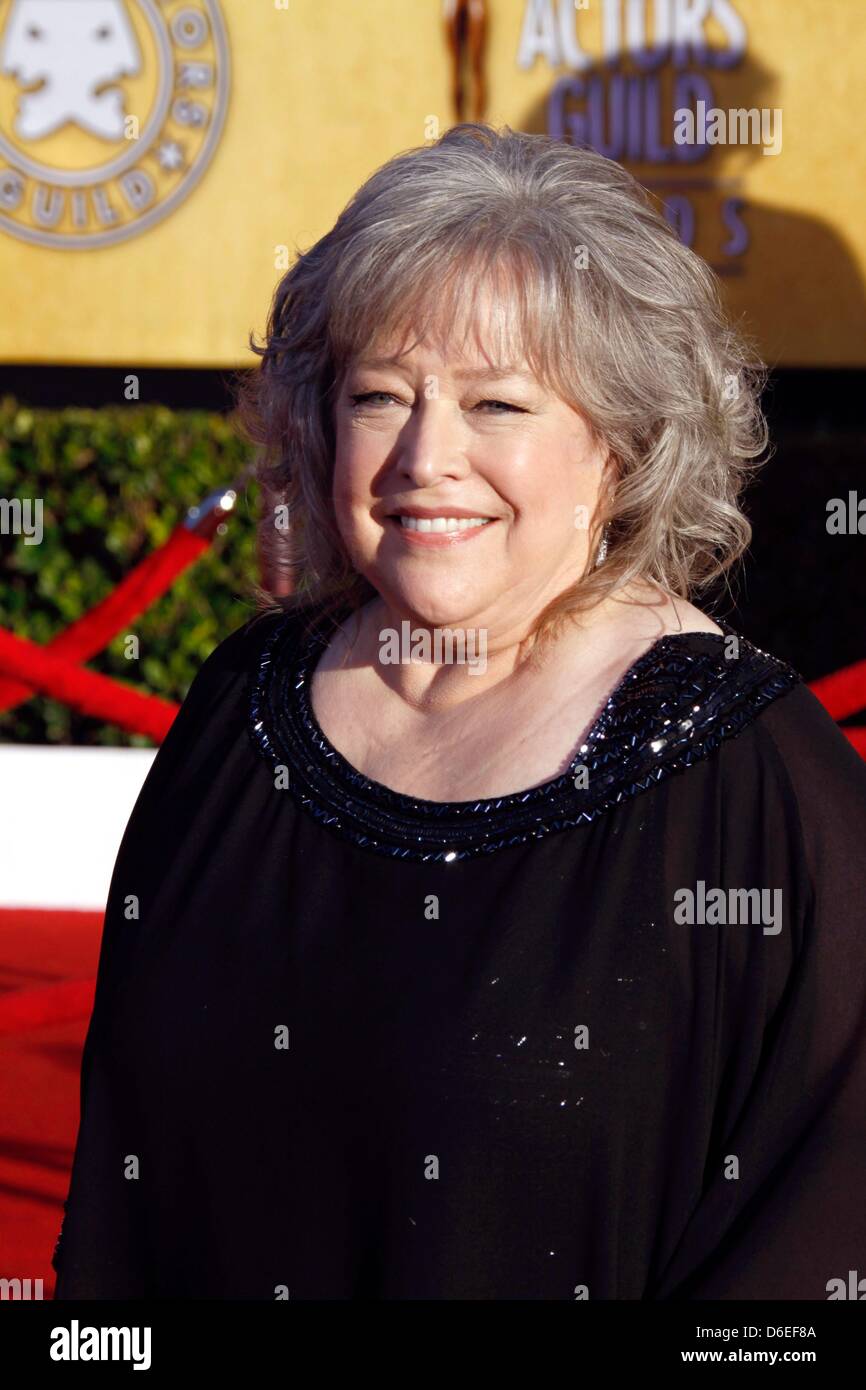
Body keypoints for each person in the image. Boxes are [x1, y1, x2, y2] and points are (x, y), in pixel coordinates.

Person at [53, 123, 866, 1300]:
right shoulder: (244, 710)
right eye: (381, 395)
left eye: (497, 405)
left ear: (620, 448)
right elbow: (123, 1193)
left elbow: (823, 1225)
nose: (426, 457)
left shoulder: (748, 779)